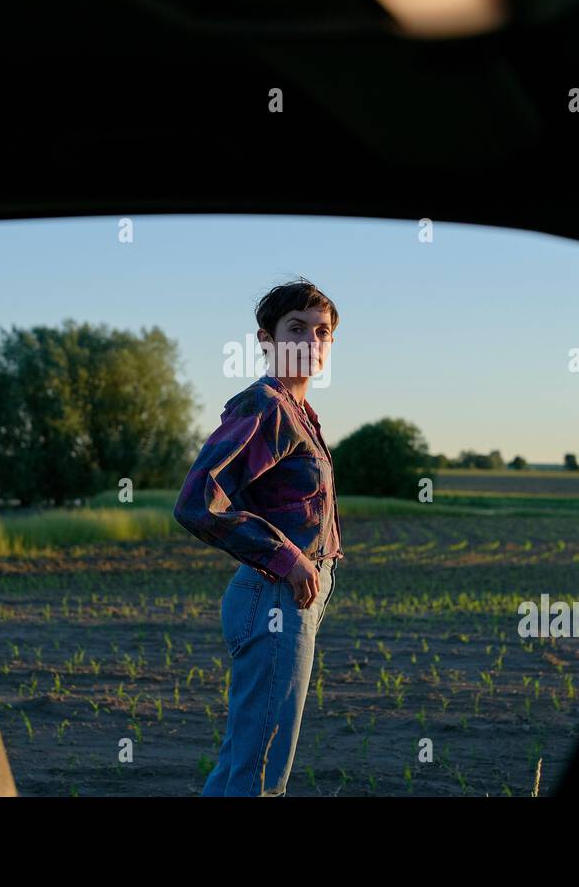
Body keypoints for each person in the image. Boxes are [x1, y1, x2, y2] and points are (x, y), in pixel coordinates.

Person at [173, 277, 344, 796]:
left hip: (289, 598)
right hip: (273, 598)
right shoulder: (263, 406)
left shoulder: (299, 413)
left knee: (241, 766)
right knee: (260, 774)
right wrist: (287, 558)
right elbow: (197, 502)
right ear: (265, 339)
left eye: (323, 332)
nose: (312, 342)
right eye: (297, 328)